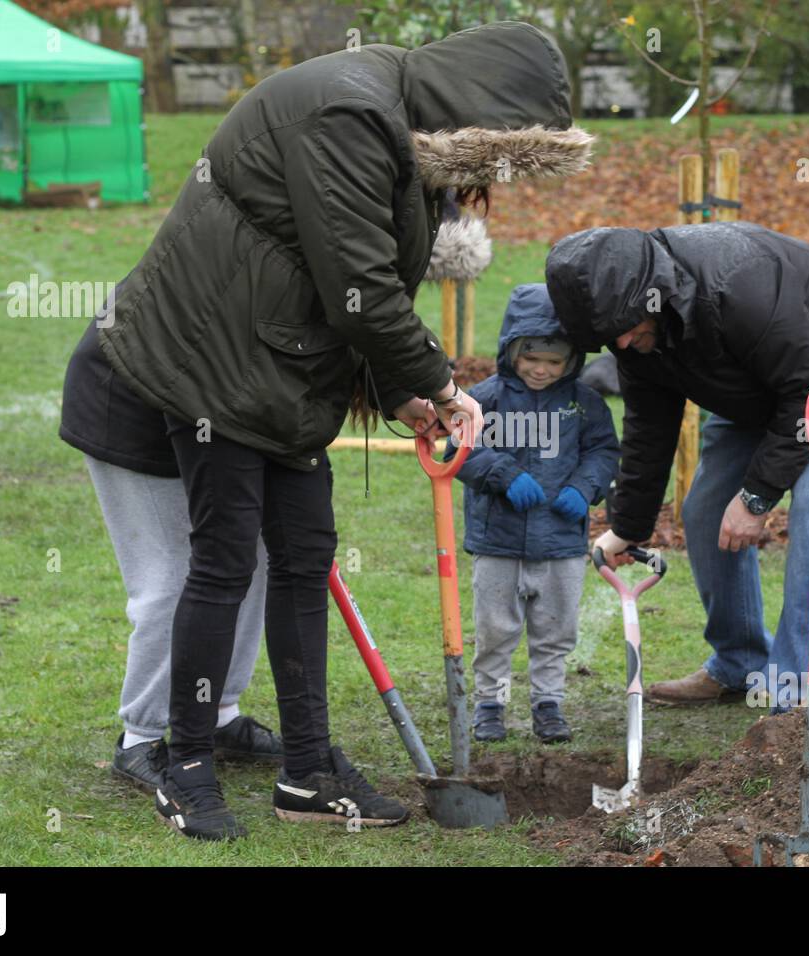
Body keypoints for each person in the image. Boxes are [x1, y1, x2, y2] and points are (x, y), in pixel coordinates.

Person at [92, 21, 592, 840]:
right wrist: (436, 379)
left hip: (283, 366)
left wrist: (404, 394)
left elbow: (357, 287)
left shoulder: (406, 130)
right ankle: (183, 762)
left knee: (302, 558)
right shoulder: (347, 112)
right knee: (222, 563)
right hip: (212, 363)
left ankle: (310, 769)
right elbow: (357, 280)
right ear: (475, 108)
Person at [545, 223, 809, 709]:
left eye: (627, 331)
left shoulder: (736, 287)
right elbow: (650, 426)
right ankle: (740, 664)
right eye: (611, 338)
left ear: (652, 297)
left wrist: (756, 497)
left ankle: (798, 688)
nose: (625, 345)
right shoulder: (632, 328)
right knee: (703, 510)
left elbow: (806, 390)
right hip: (759, 382)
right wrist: (628, 526)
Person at [60, 311, 282, 794]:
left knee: (252, 553)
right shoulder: (227, 259)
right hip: (129, 404)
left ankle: (220, 711)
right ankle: (139, 737)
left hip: (207, 406)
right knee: (175, 574)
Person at [446, 284, 619, 744]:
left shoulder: (586, 403)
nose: (541, 370)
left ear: (571, 361)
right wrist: (503, 474)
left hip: (561, 542)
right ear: (511, 351)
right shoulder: (484, 399)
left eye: (553, 361)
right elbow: (458, 449)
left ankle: (548, 703)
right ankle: (490, 704)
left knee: (556, 629)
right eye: (530, 359)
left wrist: (584, 489)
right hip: (498, 540)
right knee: (496, 629)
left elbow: (604, 451)